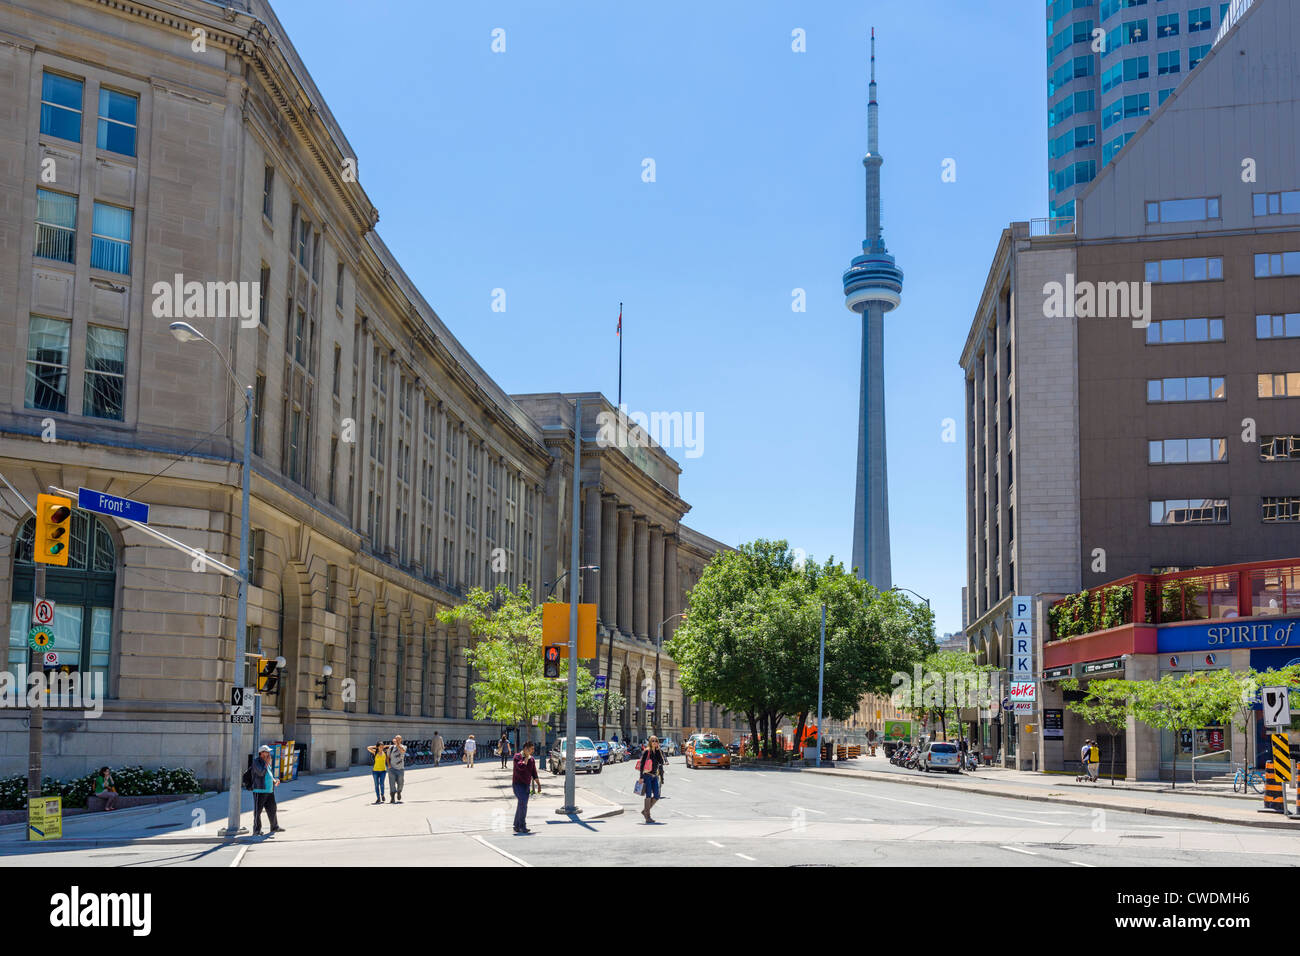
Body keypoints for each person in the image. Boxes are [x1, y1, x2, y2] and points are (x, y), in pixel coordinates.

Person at [251, 745, 283, 835]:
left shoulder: (267, 762)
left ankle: (274, 827)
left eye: (269, 752)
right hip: (260, 791)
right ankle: (257, 830)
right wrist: (266, 764)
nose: (269, 754)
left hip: (269, 791)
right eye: (267, 752)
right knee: (258, 812)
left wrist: (274, 780)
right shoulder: (256, 762)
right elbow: (261, 773)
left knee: (272, 809)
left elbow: (269, 775)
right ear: (261, 753)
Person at [512, 741, 541, 833]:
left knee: (521, 804)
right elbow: (521, 767)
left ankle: (516, 825)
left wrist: (539, 784)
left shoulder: (531, 759)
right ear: (525, 749)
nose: (533, 750)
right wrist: (526, 758)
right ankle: (522, 826)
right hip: (517, 784)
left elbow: (534, 772)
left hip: (526, 785)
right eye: (531, 749)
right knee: (523, 804)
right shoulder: (517, 757)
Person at [637, 736, 666, 823]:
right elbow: (642, 765)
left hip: (654, 776)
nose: (654, 742)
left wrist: (658, 750)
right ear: (650, 742)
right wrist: (641, 777)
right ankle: (647, 817)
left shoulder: (657, 751)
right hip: (647, 776)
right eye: (652, 741)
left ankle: (645, 811)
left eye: (656, 741)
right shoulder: (647, 751)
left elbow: (661, 762)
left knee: (657, 795)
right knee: (648, 795)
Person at [367, 740, 389, 804]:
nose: (381, 747)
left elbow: (391, 746)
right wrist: (376, 746)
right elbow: (368, 748)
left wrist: (385, 746)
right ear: (378, 747)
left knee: (382, 784)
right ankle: (378, 798)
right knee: (376, 785)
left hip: (383, 771)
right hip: (375, 771)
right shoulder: (375, 752)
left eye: (382, 746)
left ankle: (382, 795)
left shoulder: (385, 752)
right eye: (380, 746)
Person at [387, 735, 407, 803]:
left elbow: (403, 751)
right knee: (392, 784)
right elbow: (387, 757)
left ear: (401, 740)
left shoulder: (404, 746)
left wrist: (397, 744)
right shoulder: (391, 747)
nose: (397, 740)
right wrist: (389, 765)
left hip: (400, 769)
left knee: (400, 783)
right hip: (392, 769)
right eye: (396, 739)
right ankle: (392, 797)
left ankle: (399, 792)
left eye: (399, 739)